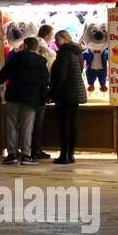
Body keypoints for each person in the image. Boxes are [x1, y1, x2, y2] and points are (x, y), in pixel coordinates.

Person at [0, 36, 48, 164]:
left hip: (14, 96)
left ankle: (12, 153)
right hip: (32, 99)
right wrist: (43, 98)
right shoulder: (41, 62)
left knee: (12, 125)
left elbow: (2, 76)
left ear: (26, 46)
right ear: (36, 47)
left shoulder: (15, 59)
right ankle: (26, 155)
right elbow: (45, 82)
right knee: (27, 127)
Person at [48, 30, 87, 164]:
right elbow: (80, 70)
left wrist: (52, 93)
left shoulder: (64, 53)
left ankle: (64, 155)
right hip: (76, 92)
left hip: (65, 93)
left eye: (58, 40)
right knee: (72, 123)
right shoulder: (77, 52)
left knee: (64, 124)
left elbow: (61, 76)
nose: (56, 43)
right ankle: (70, 154)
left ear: (65, 38)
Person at [30, 24, 57, 161]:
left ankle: (25, 150)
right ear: (47, 36)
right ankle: (35, 150)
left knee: (25, 124)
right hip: (39, 93)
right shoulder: (47, 53)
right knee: (37, 123)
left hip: (24, 94)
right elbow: (52, 73)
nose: (52, 39)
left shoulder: (26, 49)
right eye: (52, 36)